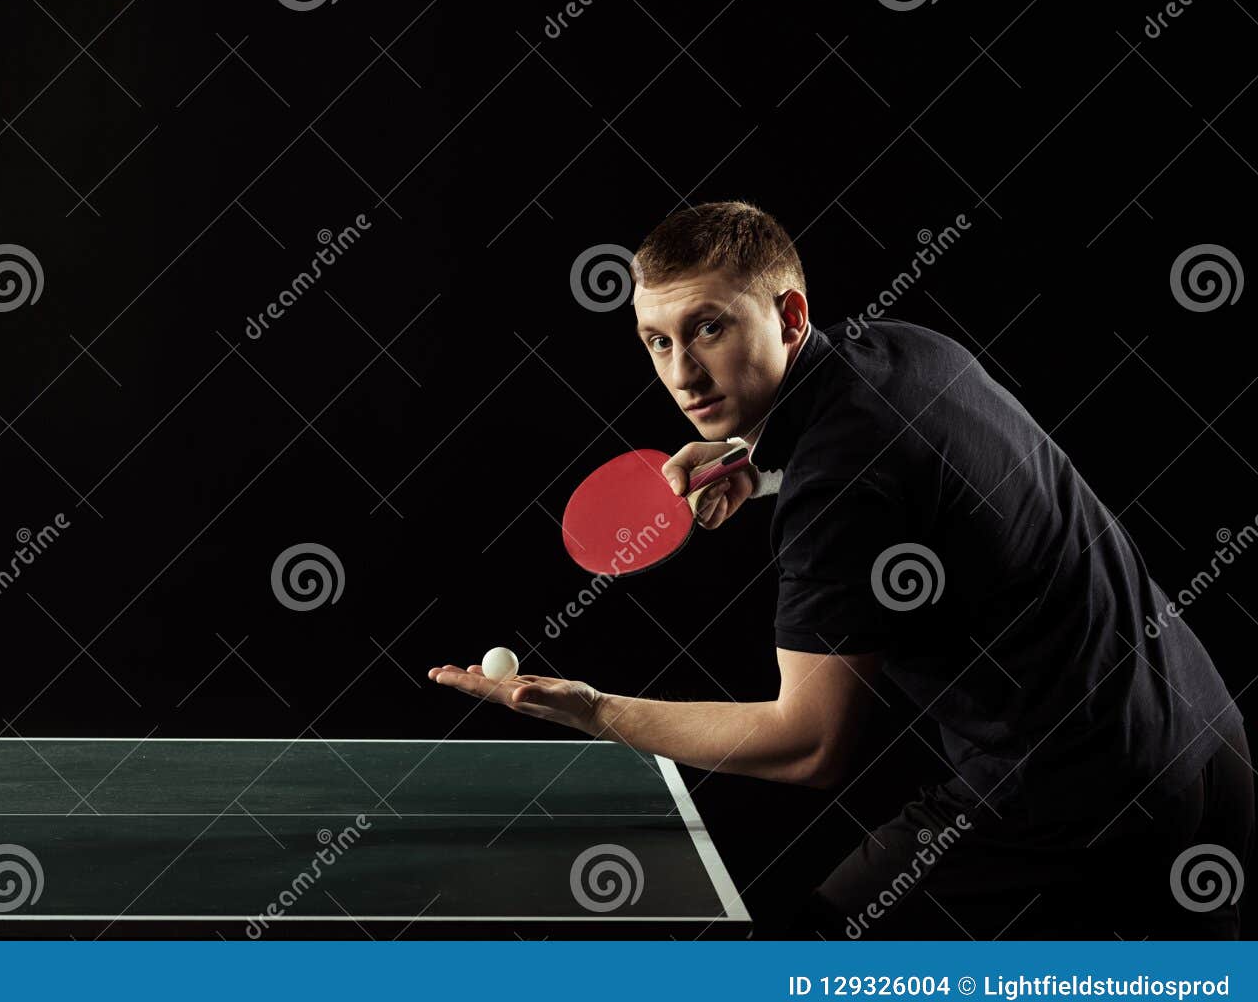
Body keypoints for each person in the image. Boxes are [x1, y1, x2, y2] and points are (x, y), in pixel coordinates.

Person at [427, 200, 1253, 938]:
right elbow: (902, 474)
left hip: (1077, 805)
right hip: (1207, 749)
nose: (682, 373)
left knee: (816, 962)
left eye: (710, 328)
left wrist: (597, 712)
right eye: (657, 341)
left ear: (788, 316)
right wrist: (763, 472)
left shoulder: (836, 494)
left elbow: (809, 745)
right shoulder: (907, 350)